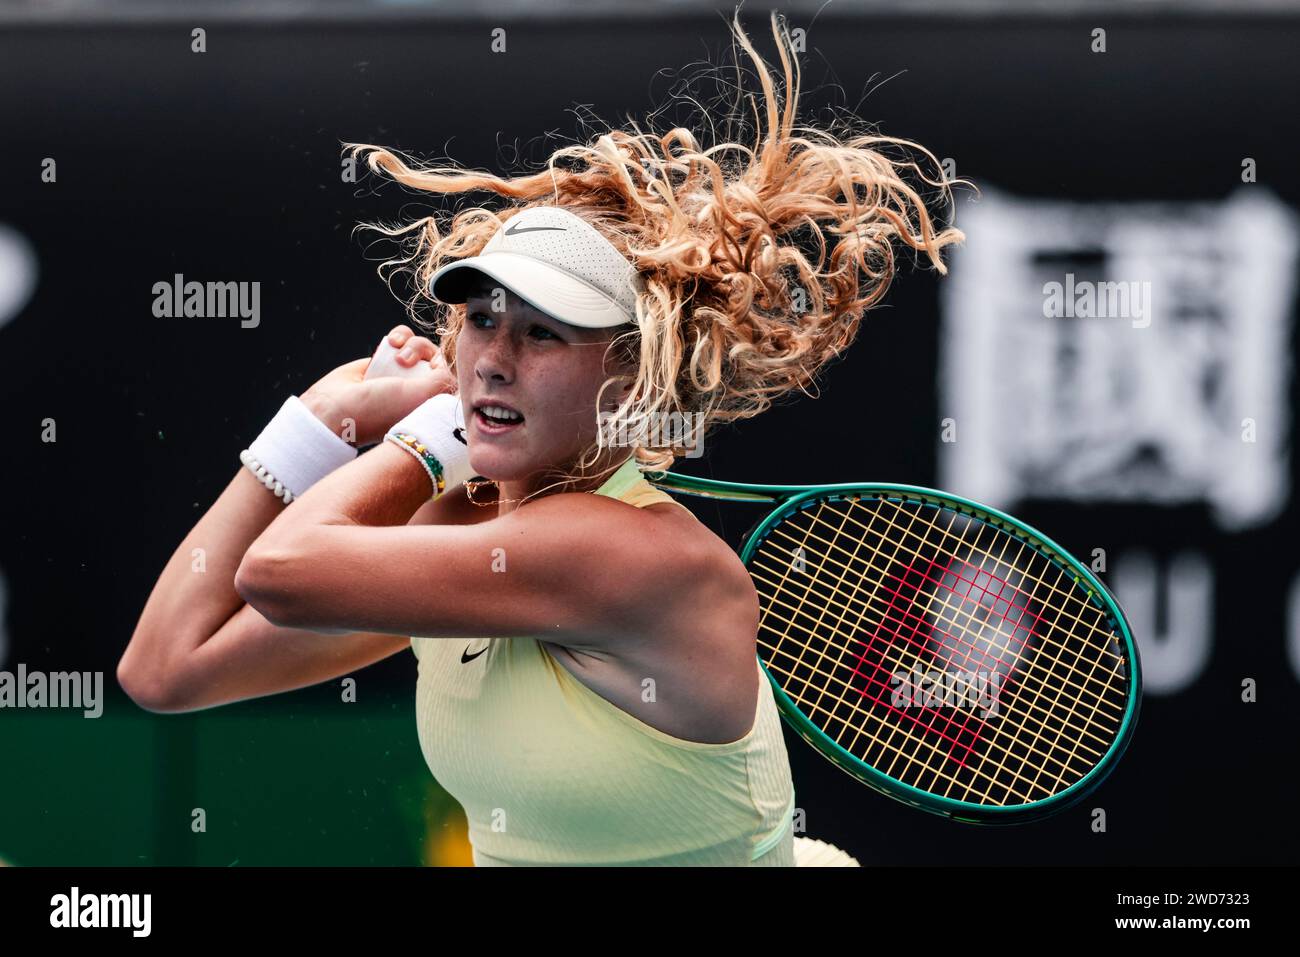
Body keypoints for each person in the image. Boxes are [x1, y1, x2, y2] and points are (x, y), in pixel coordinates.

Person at [118, 10, 964, 866]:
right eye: (480, 320)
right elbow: (166, 669)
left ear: (629, 375)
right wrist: (314, 419)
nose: (493, 360)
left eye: (544, 333)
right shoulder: (464, 544)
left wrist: (416, 432)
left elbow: (278, 571)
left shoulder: (628, 555)